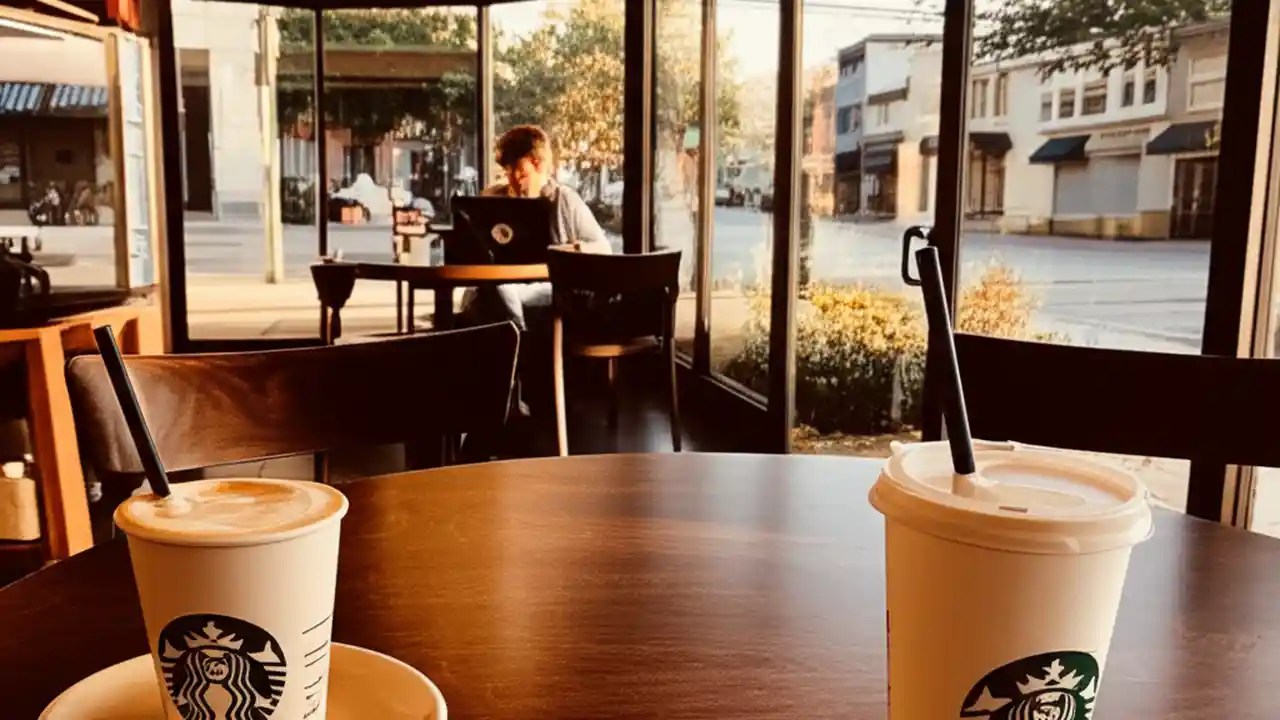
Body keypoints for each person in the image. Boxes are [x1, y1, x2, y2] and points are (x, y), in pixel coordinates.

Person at [459, 125, 612, 332]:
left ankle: (518, 339)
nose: (513, 180)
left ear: (537, 164)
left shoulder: (564, 200)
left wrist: (572, 250)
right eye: (508, 172)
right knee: (490, 290)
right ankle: (518, 338)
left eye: (520, 172)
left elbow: (603, 248)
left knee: (498, 291)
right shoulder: (493, 198)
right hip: (500, 283)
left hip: (548, 286)